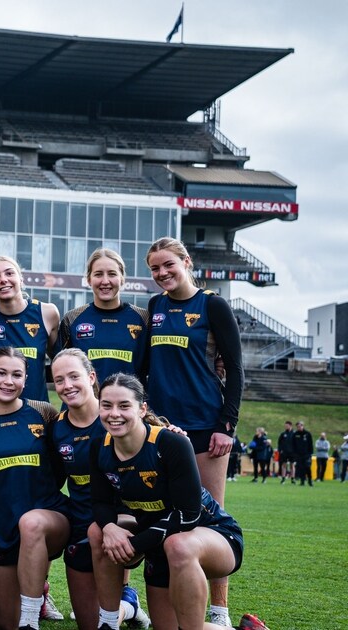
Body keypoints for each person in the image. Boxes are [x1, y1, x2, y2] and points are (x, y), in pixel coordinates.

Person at [88, 373, 246, 630]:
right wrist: (109, 528)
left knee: (178, 544)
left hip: (213, 536)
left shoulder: (171, 442)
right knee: (98, 531)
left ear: (142, 409)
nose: (114, 413)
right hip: (159, 544)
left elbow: (188, 516)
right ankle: (107, 622)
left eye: (124, 405)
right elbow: (100, 503)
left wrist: (136, 545)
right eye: (106, 405)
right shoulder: (99, 447)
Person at [144, 237, 243, 627]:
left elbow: (234, 370)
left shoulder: (213, 304)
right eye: (155, 268)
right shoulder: (154, 307)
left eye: (169, 264)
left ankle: (218, 612)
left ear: (187, 262)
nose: (162, 273)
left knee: (209, 520)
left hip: (205, 429)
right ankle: (170, 609)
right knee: (168, 516)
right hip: (162, 430)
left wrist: (226, 426)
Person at [0, 346, 66, 630]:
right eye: (1, 373)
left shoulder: (45, 413)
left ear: (26, 378)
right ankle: (35, 588)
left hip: (48, 521)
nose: (9, 381)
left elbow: (72, 452)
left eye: (16, 375)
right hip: (0, 528)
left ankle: (36, 596)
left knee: (32, 525)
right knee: (6, 623)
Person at [49, 350, 148, 630]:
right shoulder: (56, 428)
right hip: (81, 521)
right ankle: (128, 606)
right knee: (90, 624)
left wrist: (174, 432)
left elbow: (155, 436)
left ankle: (124, 600)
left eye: (73, 376)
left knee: (101, 532)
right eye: (59, 380)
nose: (67, 385)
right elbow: (53, 479)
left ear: (91, 377)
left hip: (126, 521)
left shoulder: (116, 417)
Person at [0, 257, 60, 404]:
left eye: (9, 273)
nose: (3, 280)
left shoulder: (48, 313)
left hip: (36, 412)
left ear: (20, 278)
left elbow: (58, 360)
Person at [57, 249, 149, 384]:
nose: (105, 281)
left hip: (128, 403)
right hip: (84, 404)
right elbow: (61, 367)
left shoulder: (143, 318)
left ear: (122, 278)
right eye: (98, 274)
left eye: (112, 274)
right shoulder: (71, 319)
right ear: (89, 279)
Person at [293, 421, 314, 486]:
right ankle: (302, 481)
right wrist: (294, 453)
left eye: (300, 426)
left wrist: (310, 453)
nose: (299, 428)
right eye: (298, 427)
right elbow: (293, 445)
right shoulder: (295, 434)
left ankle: (310, 480)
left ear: (303, 426)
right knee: (301, 468)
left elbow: (310, 444)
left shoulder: (307, 434)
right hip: (298, 455)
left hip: (306, 454)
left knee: (307, 467)